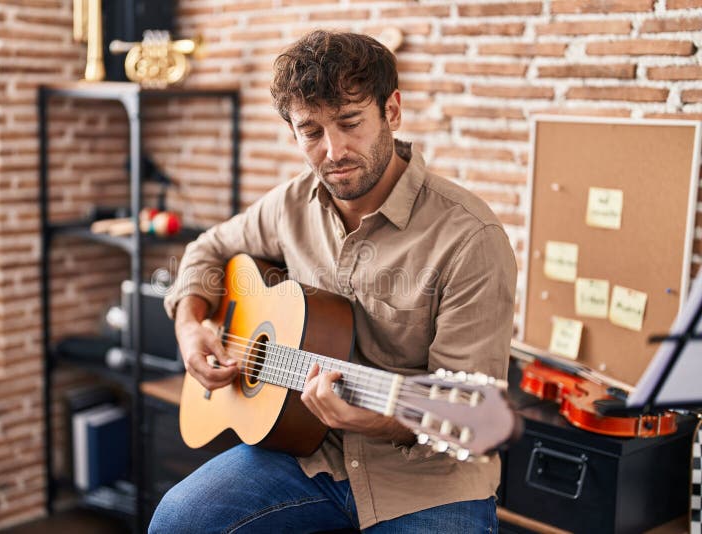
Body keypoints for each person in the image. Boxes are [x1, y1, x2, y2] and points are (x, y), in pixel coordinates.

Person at [150, 30, 516, 533]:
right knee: (176, 521)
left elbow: (472, 414)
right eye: (311, 131)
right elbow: (207, 250)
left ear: (392, 110)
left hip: (428, 478)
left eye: (350, 122)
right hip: (306, 451)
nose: (334, 151)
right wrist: (190, 325)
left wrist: (375, 419)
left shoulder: (471, 238)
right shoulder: (289, 204)